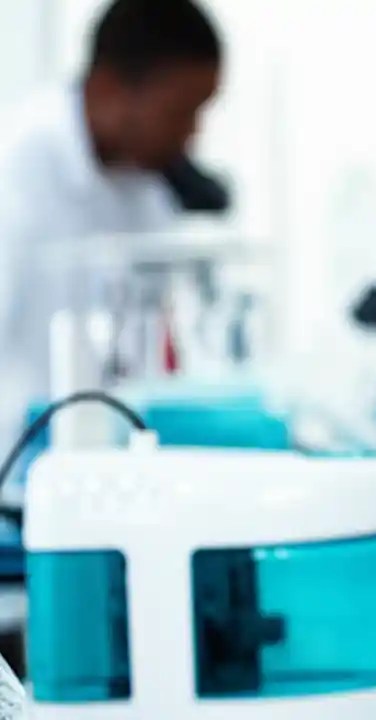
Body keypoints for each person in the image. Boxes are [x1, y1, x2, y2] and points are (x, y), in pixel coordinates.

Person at [0, 0, 223, 451]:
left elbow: (151, 353)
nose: (191, 134)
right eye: (179, 112)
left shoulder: (148, 189)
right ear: (108, 89)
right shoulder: (17, 171)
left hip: (100, 456)